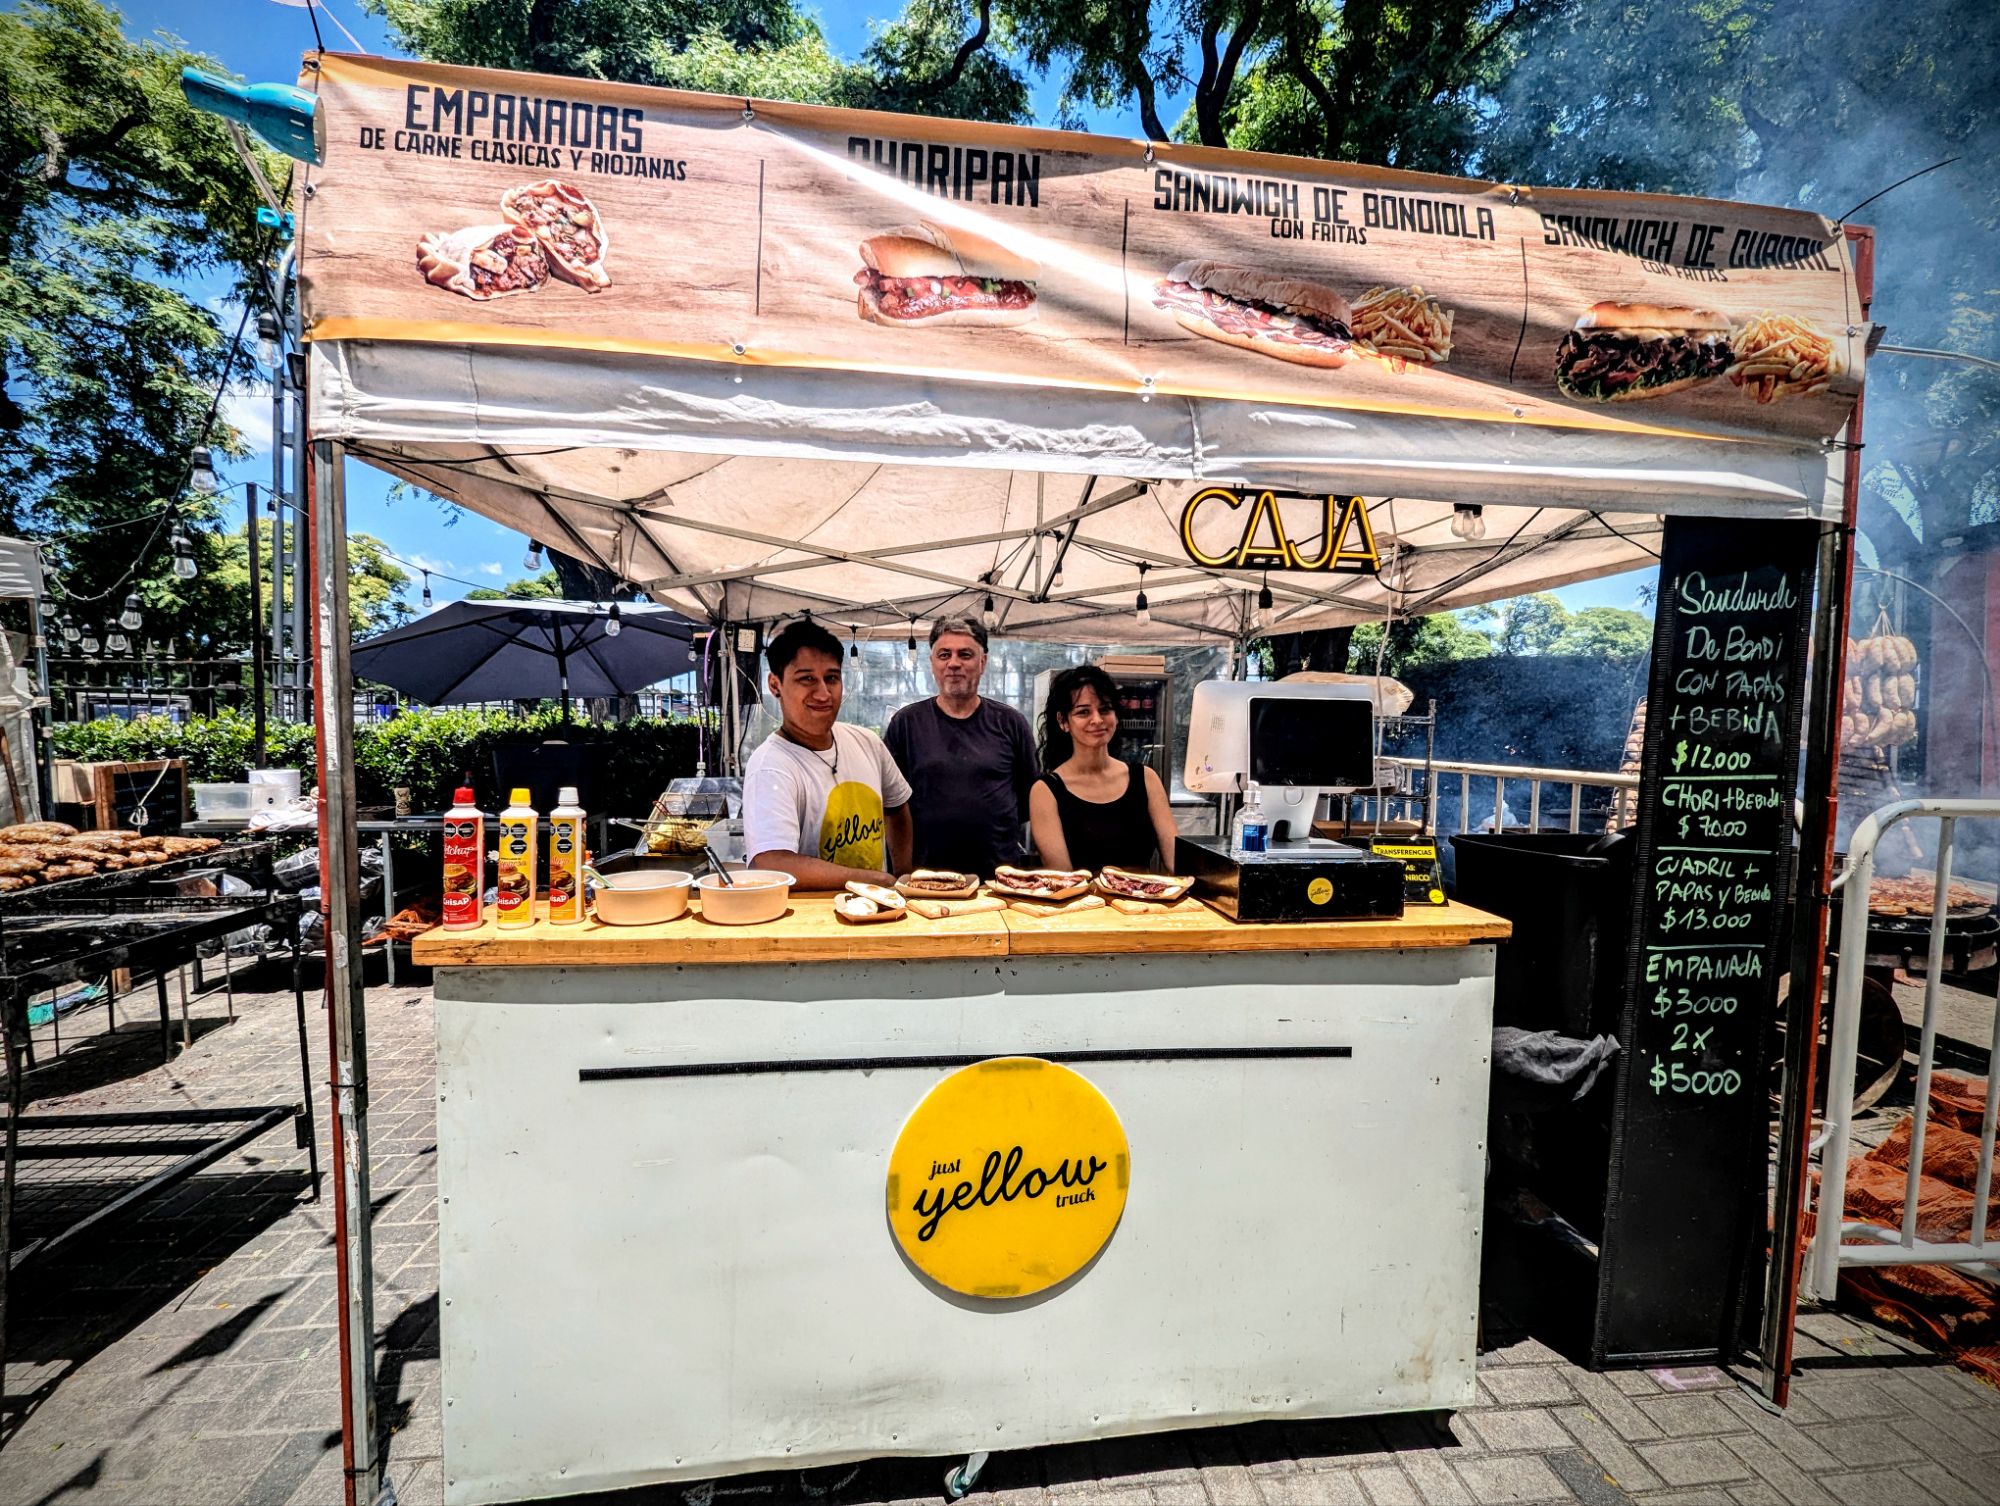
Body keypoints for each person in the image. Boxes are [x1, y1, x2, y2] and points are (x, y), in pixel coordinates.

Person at [743, 618, 913, 890]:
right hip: (816, 924)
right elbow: (772, 863)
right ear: (775, 685)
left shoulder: (866, 742)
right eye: (807, 679)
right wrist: (873, 878)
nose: (823, 693)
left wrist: (904, 874)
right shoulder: (771, 766)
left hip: (880, 912)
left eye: (831, 678)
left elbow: (897, 806)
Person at [884, 617, 1038, 876]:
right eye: (944, 654)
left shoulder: (1011, 723)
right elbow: (891, 802)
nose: (953, 663)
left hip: (997, 879)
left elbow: (1029, 799)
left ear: (983, 662)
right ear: (932, 663)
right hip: (925, 878)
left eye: (965, 654)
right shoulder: (906, 724)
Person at [1029, 664, 1179, 873]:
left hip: (1143, 903)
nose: (1097, 720)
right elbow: (1062, 879)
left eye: (1105, 709)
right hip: (1081, 905)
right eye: (1083, 712)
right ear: (1063, 721)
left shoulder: (1146, 778)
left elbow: (1176, 861)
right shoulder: (1045, 791)